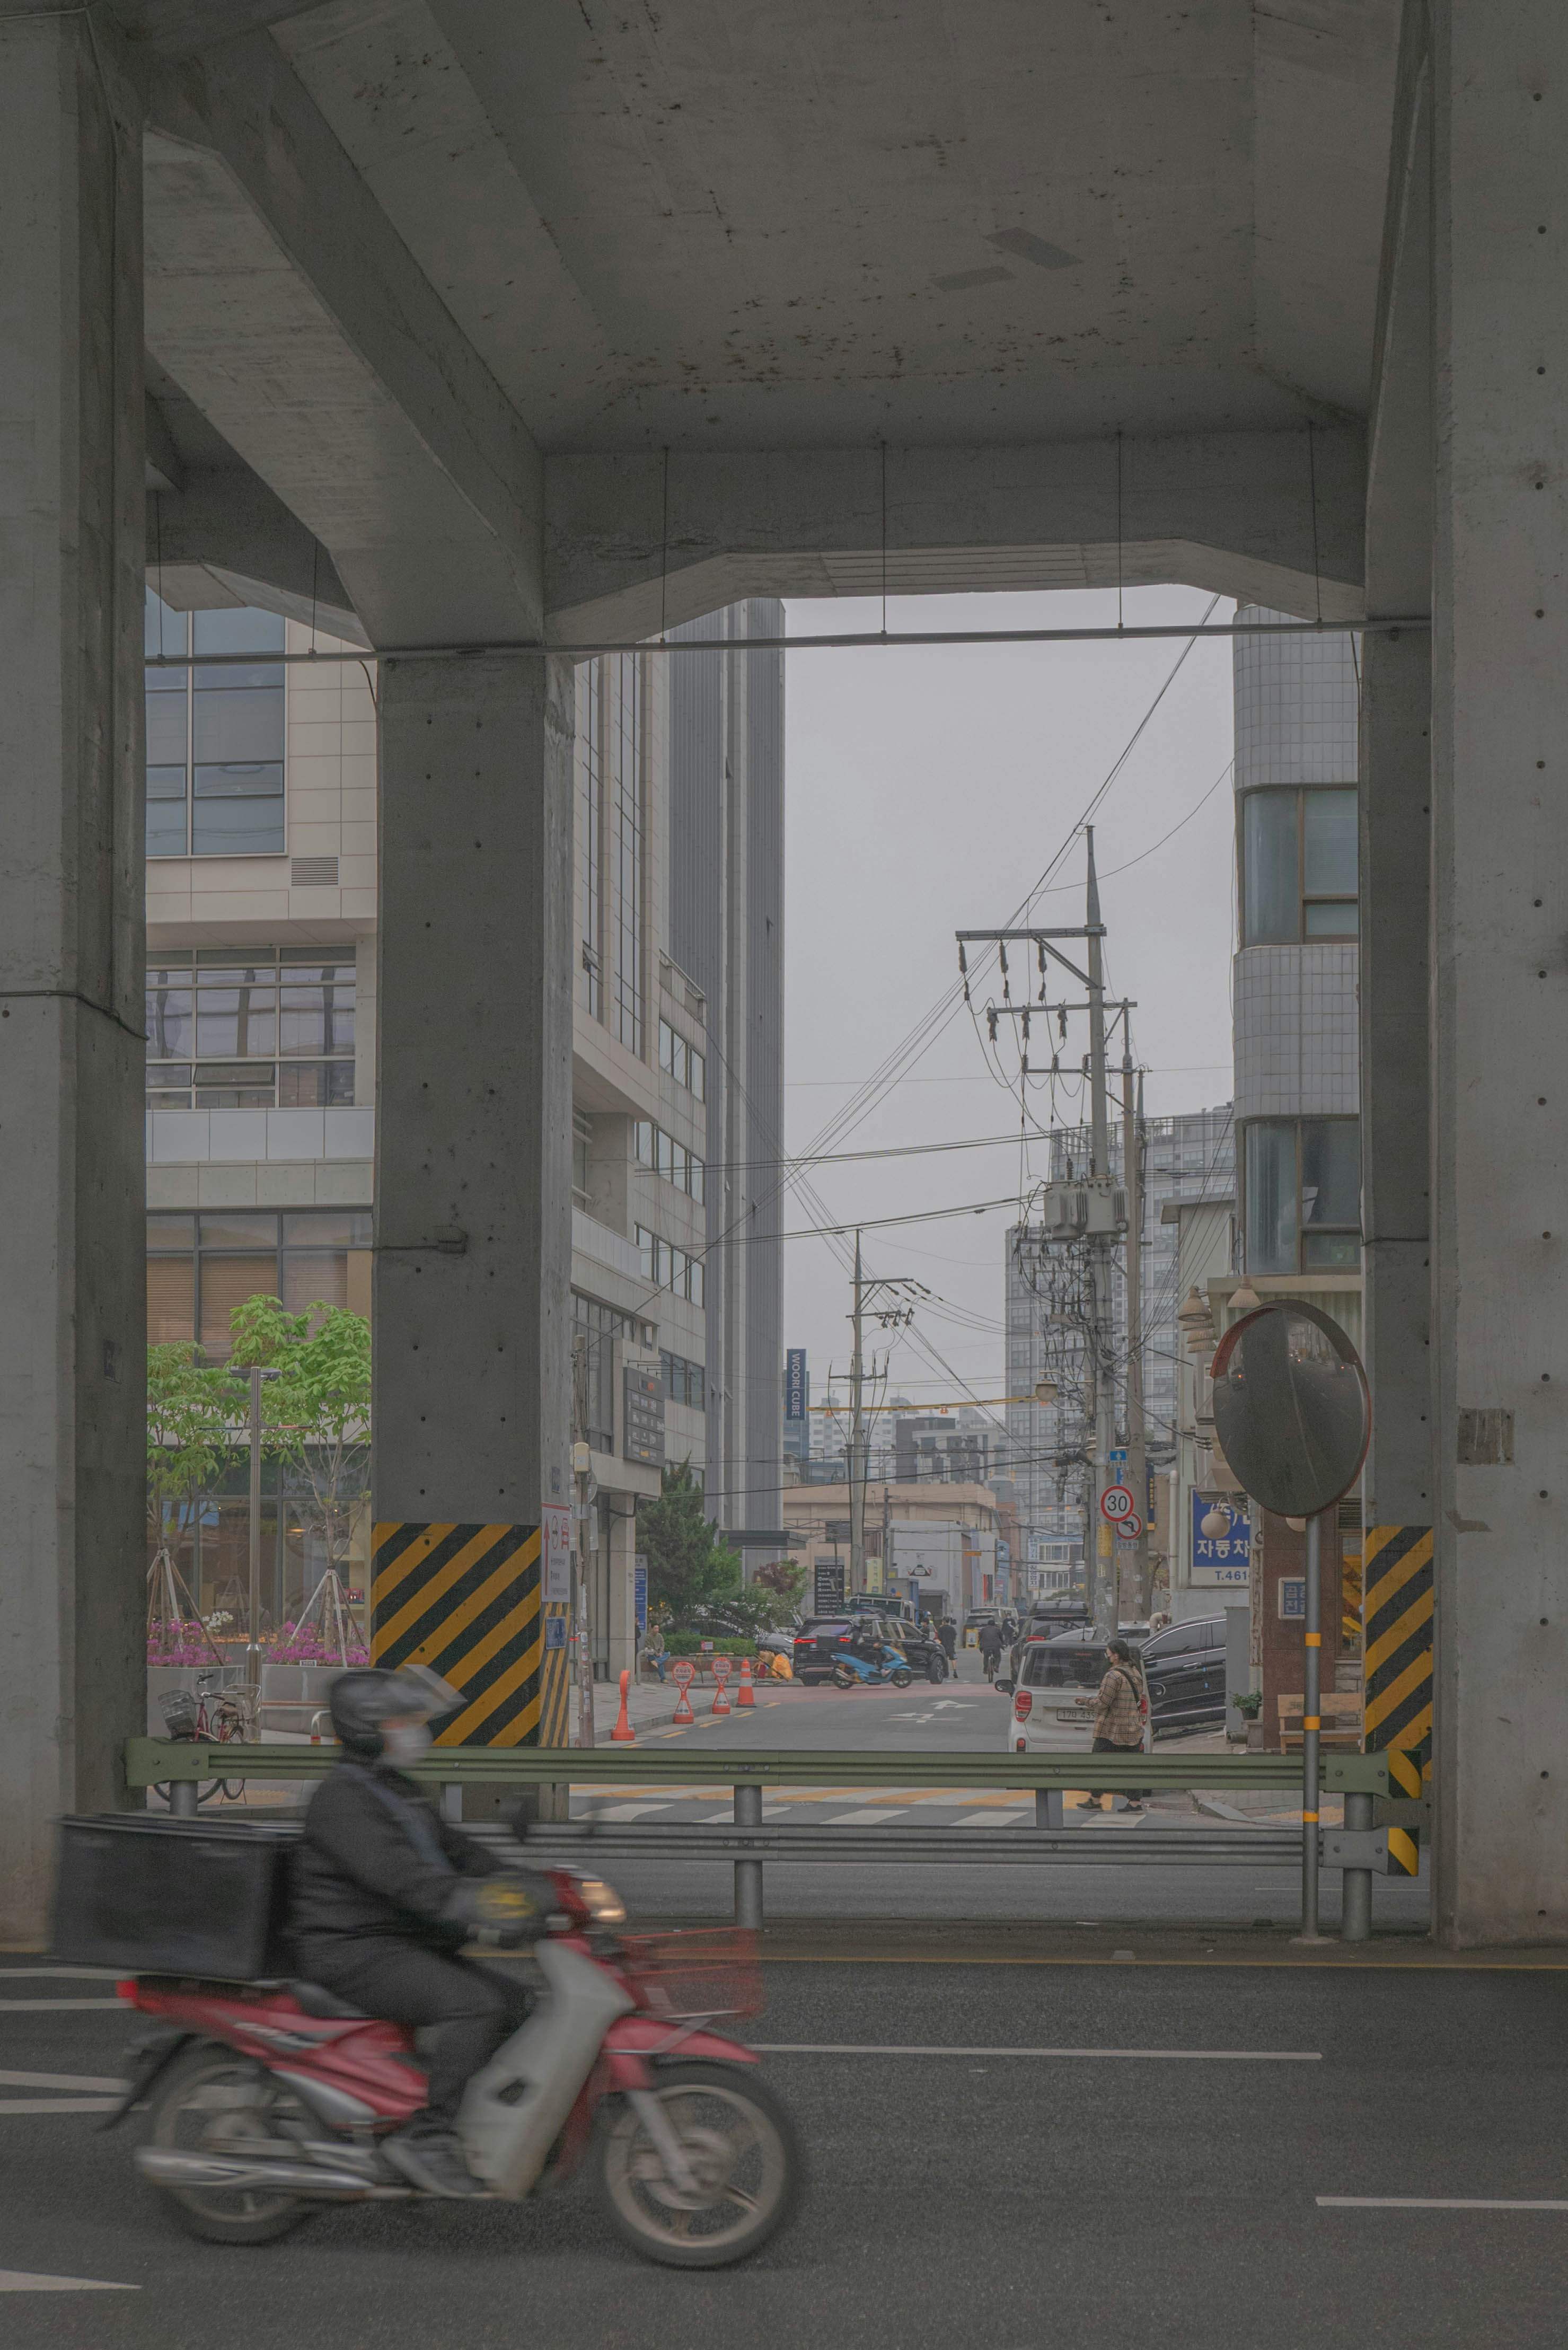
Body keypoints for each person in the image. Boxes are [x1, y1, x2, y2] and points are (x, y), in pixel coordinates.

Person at [289, 1665, 540, 2199]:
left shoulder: (394, 1789)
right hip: (353, 1947)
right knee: (475, 2004)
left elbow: (456, 1849)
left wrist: (521, 1882)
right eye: (401, 1718)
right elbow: (403, 1878)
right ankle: (426, 2136)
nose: (415, 1727)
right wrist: (468, 1903)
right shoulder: (341, 1799)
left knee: (518, 1998)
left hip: (397, 1940)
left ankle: (456, 2106)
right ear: (364, 1727)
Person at [1079, 1637, 1148, 1814]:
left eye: (1109, 1654)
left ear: (1116, 1655)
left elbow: (1103, 1702)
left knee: (1098, 1763)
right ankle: (1135, 1804)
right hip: (1132, 1729)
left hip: (1112, 1730)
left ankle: (1095, 1801)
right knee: (1131, 1767)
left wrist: (1086, 1701)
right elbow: (1139, 1699)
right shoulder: (1135, 1673)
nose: (1108, 1657)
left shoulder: (1113, 1675)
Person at [976, 1617, 1005, 1682]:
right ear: (994, 1624)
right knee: (998, 1657)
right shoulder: (997, 1630)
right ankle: (996, 1666)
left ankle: (986, 1670)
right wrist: (1003, 1644)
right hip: (996, 1646)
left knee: (986, 1658)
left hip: (985, 1646)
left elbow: (980, 1638)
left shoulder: (983, 1630)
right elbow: (1001, 1638)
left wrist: (981, 1644)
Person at [641, 1618, 668, 1682]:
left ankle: (657, 1661)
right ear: (652, 1629)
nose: (657, 1630)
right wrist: (656, 1653)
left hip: (659, 1654)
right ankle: (663, 1679)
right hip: (652, 1654)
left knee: (668, 1654)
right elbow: (649, 1647)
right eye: (655, 1628)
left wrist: (661, 1652)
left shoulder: (660, 1636)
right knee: (660, 1664)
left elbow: (662, 1644)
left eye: (658, 1628)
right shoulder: (648, 1637)